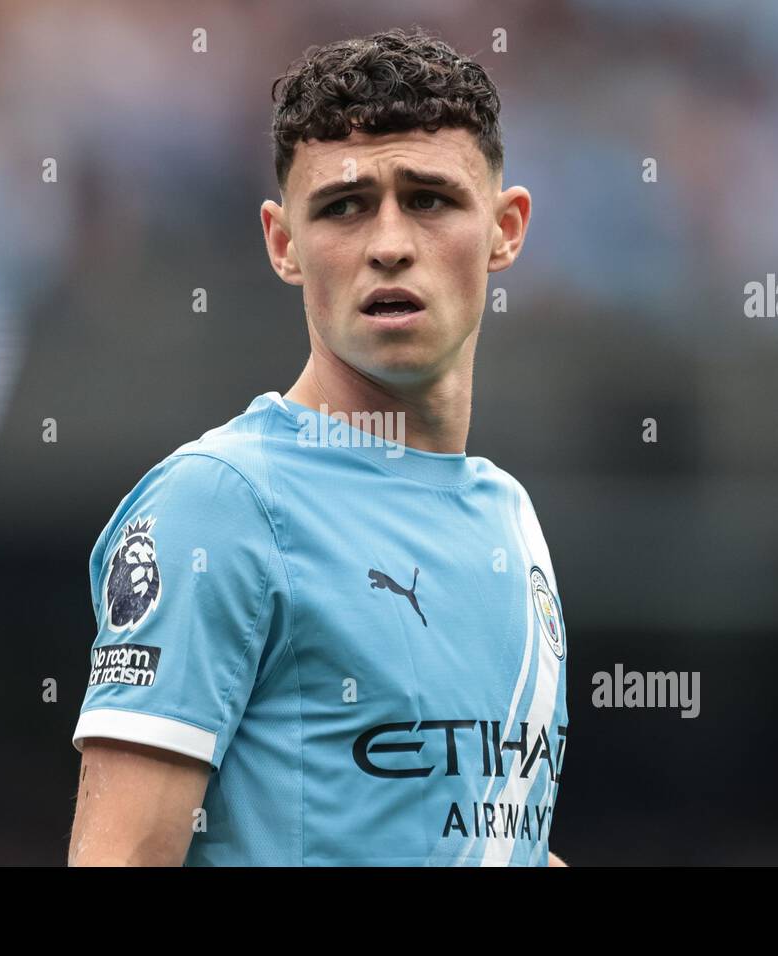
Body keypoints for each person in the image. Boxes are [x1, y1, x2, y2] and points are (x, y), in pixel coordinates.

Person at [68, 27, 568, 866]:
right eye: (343, 206)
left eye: (431, 199)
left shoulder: (510, 518)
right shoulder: (220, 503)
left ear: (504, 229)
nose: (389, 244)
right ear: (283, 243)